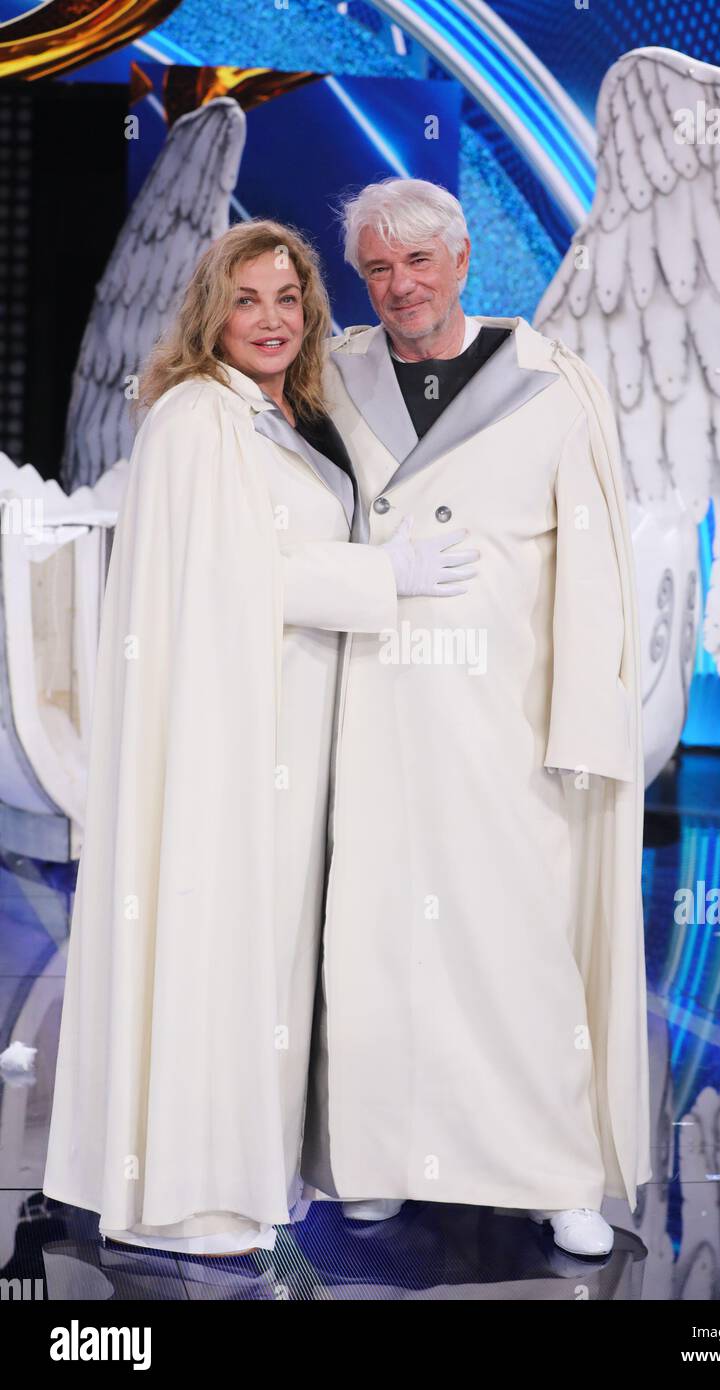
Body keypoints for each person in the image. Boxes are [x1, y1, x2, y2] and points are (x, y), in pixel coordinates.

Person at [42, 218, 478, 1257]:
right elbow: (232, 574)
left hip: (284, 728)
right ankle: (190, 1194)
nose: (271, 319)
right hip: (222, 741)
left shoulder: (283, 416)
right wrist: (389, 578)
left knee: (263, 959)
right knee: (214, 945)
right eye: (248, 299)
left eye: (288, 299)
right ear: (212, 311)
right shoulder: (197, 415)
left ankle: (241, 1166)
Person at [300, 179, 651, 1257]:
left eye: (418, 262)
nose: (398, 285)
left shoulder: (552, 385)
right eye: (376, 268)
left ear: (460, 263)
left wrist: (588, 724)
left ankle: (552, 1171)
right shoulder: (332, 378)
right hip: (372, 709)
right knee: (370, 945)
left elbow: (597, 564)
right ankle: (374, 1159)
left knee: (518, 949)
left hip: (506, 725)